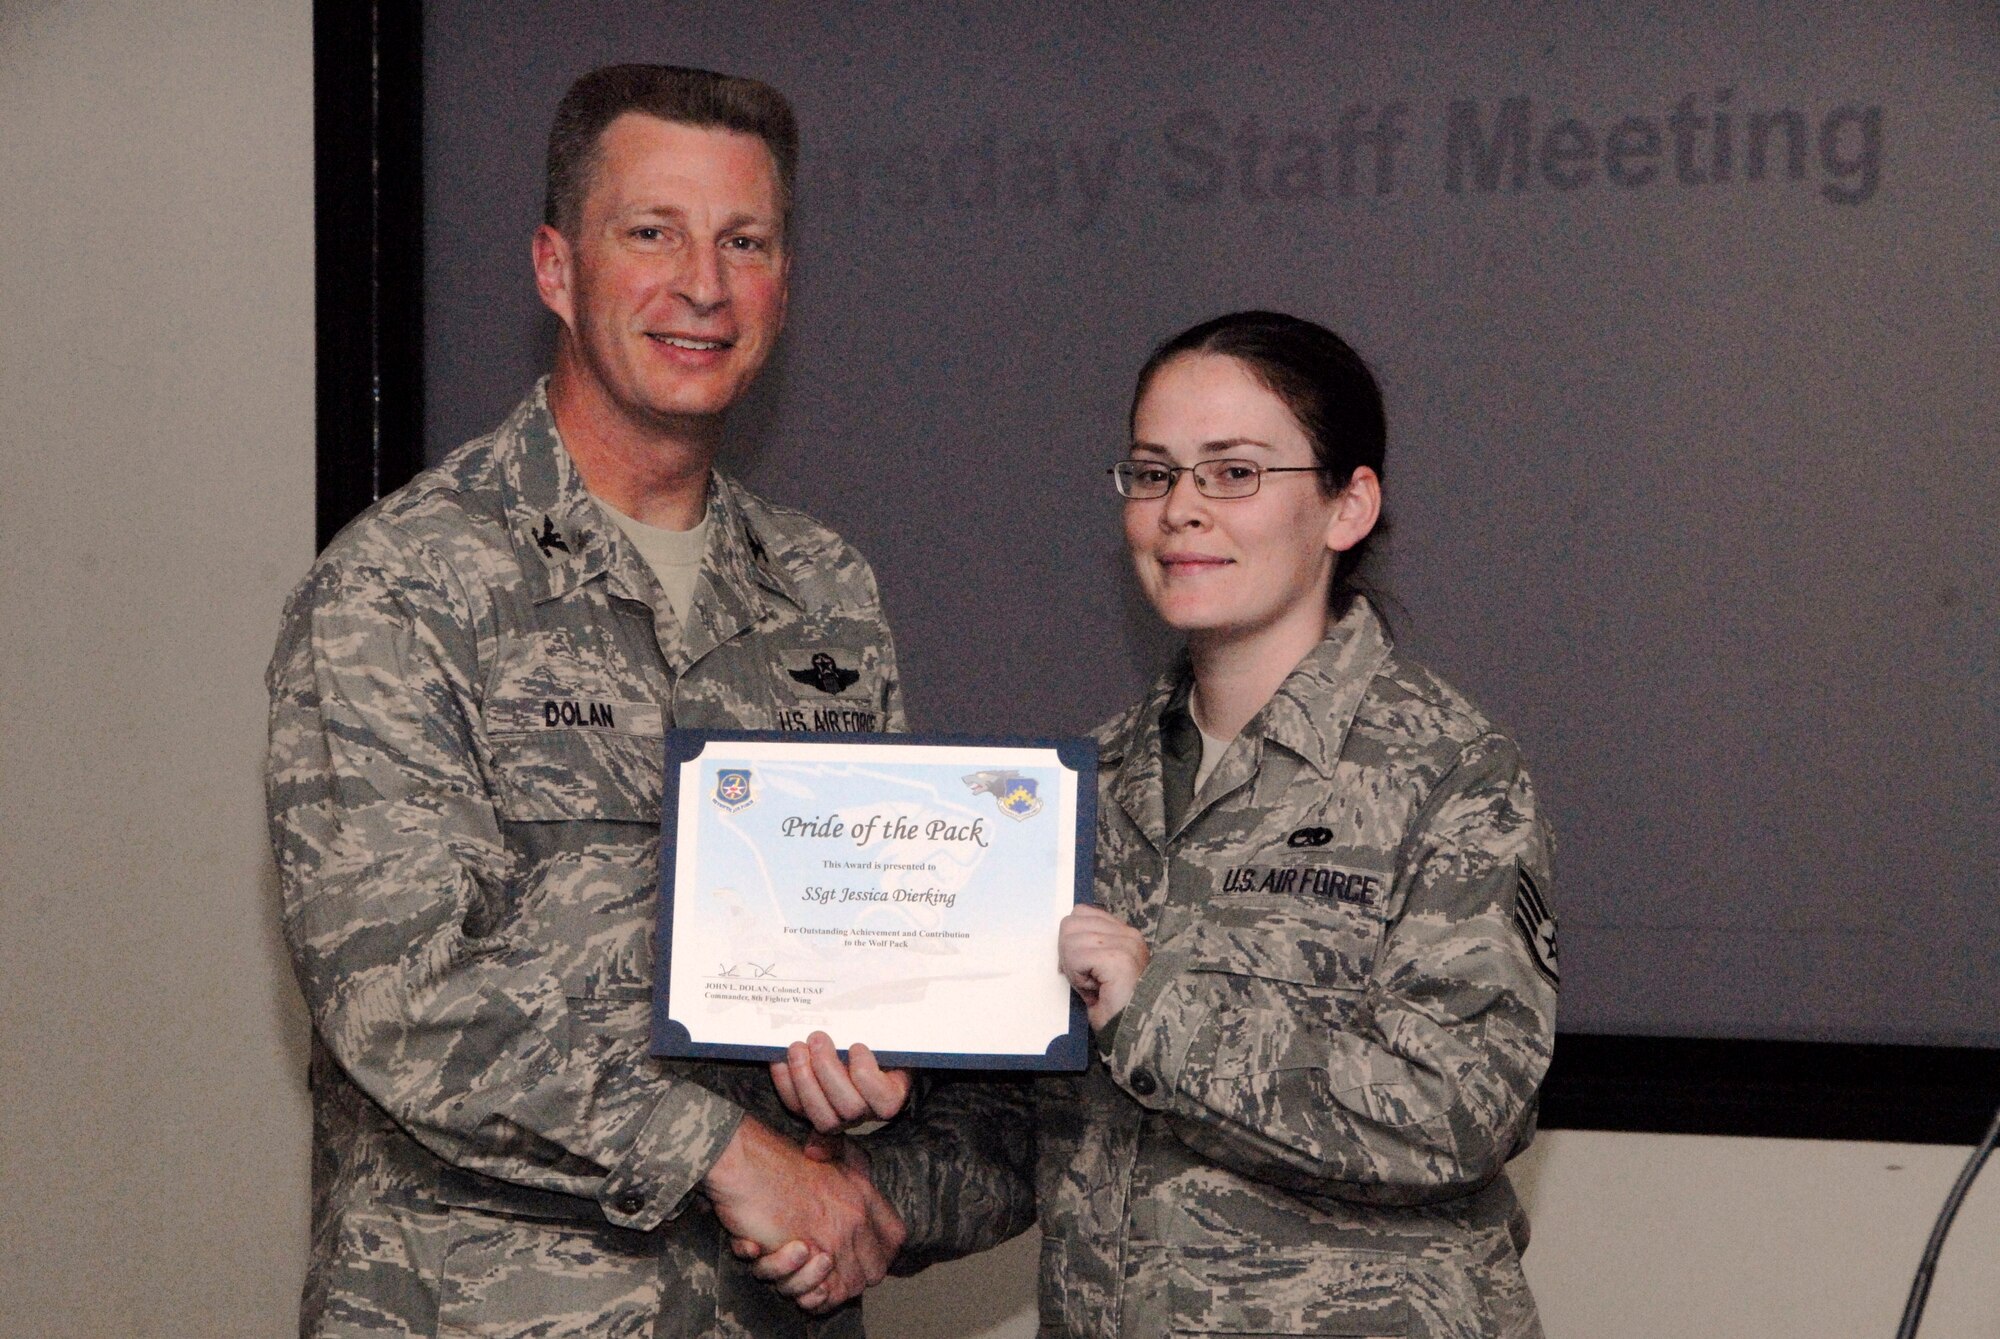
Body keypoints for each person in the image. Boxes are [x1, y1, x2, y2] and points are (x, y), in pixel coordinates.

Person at [266, 65, 909, 1337]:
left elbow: (872, 941)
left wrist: (879, 1088)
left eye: (745, 241)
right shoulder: (402, 586)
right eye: (650, 232)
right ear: (556, 269)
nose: (703, 285)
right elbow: (404, 997)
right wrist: (726, 1150)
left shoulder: (826, 592)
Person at [766, 311, 1560, 1337]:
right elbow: (1036, 1139)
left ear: (1345, 505)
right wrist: (878, 1172)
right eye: (1151, 473)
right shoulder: (1075, 789)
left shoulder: (1452, 775)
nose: (1180, 509)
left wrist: (1159, 1013)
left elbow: (1461, 1108)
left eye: (1232, 473)